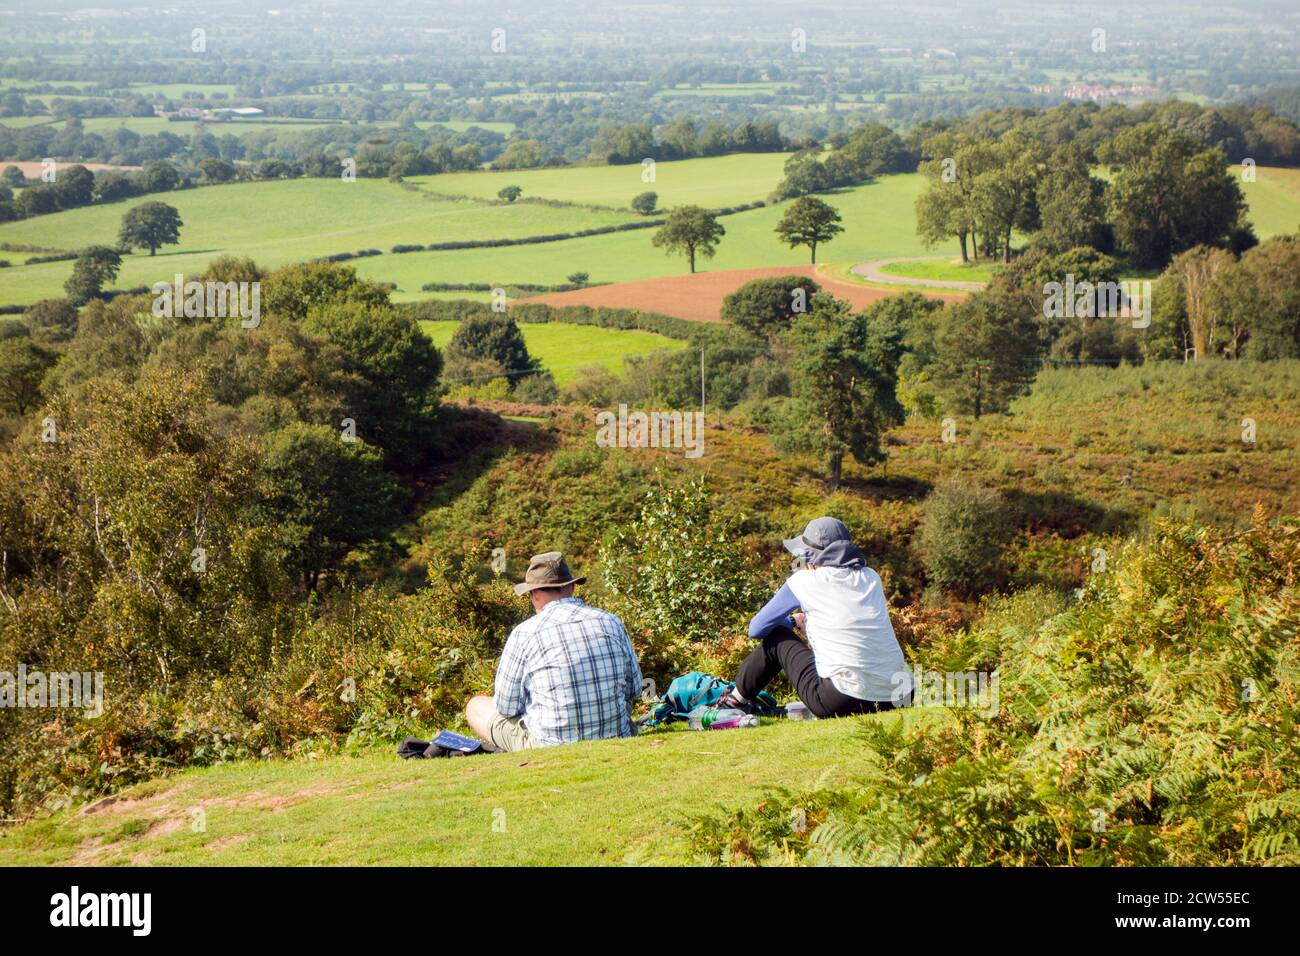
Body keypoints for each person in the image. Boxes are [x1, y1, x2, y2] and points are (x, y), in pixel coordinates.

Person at [719, 517, 913, 718]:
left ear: (810, 555)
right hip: (902, 694)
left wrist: (792, 621)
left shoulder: (803, 581)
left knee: (776, 637)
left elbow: (757, 628)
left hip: (842, 700)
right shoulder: (871, 577)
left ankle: (734, 702)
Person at [466, 551, 643, 752]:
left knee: (475, 706)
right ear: (572, 587)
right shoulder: (611, 621)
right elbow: (634, 689)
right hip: (616, 735)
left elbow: (506, 707)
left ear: (535, 593)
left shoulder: (524, 633)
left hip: (548, 746)